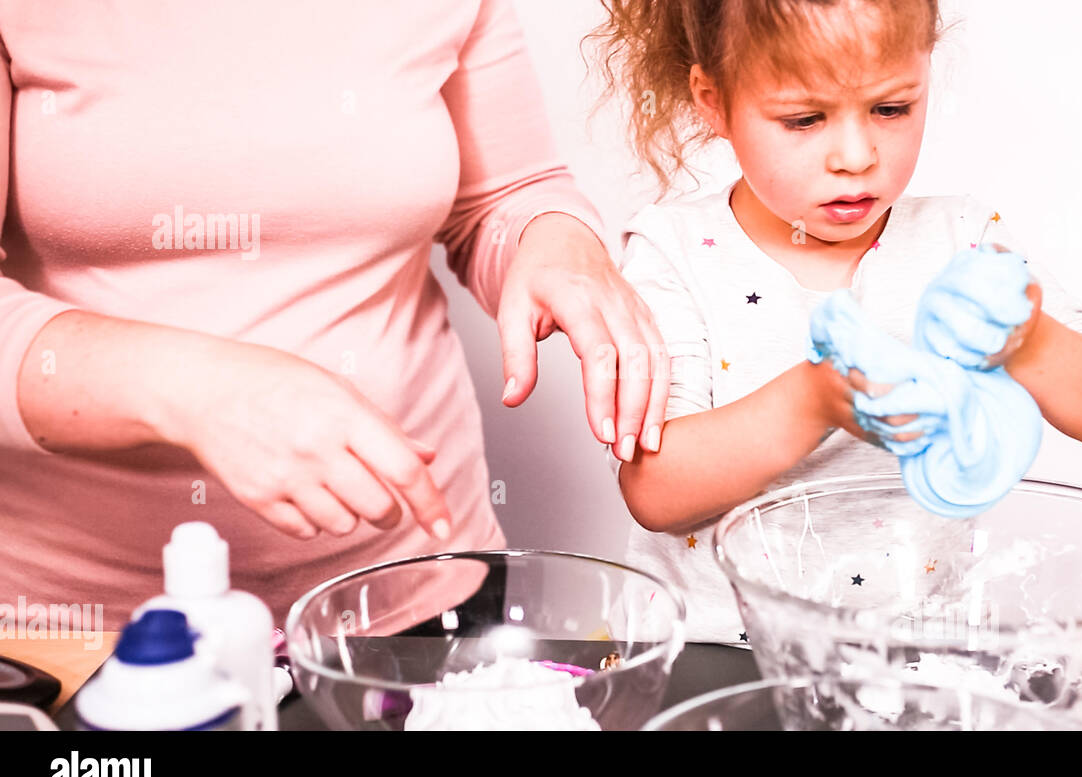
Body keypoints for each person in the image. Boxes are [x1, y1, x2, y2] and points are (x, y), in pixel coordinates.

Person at [0, 0, 668, 629]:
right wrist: (193, 388)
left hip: (418, 587)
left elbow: (505, 192)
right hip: (71, 626)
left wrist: (553, 240)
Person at [590, 0, 1082, 641]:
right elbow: (655, 492)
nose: (857, 156)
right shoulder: (675, 252)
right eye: (804, 118)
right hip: (717, 656)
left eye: (891, 108)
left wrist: (1029, 340)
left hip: (914, 655)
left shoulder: (961, 242)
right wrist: (814, 401)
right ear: (714, 100)